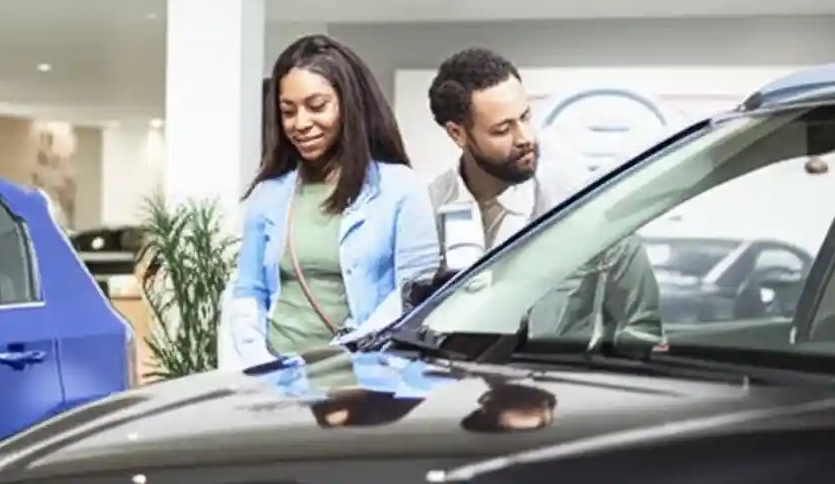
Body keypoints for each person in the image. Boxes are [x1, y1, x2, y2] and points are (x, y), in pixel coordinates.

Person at [225, 34, 440, 368]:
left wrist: (351, 350)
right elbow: (249, 291)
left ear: (349, 105)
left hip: (366, 373)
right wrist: (259, 362)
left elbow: (414, 293)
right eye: (288, 111)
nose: (300, 124)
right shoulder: (268, 195)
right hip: (278, 376)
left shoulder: (400, 187)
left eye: (316, 106)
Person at [426, 47, 663, 345]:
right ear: (457, 134)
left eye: (525, 117)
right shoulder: (425, 211)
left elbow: (641, 329)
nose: (525, 138)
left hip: (558, 373)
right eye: (502, 130)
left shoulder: (586, 201)